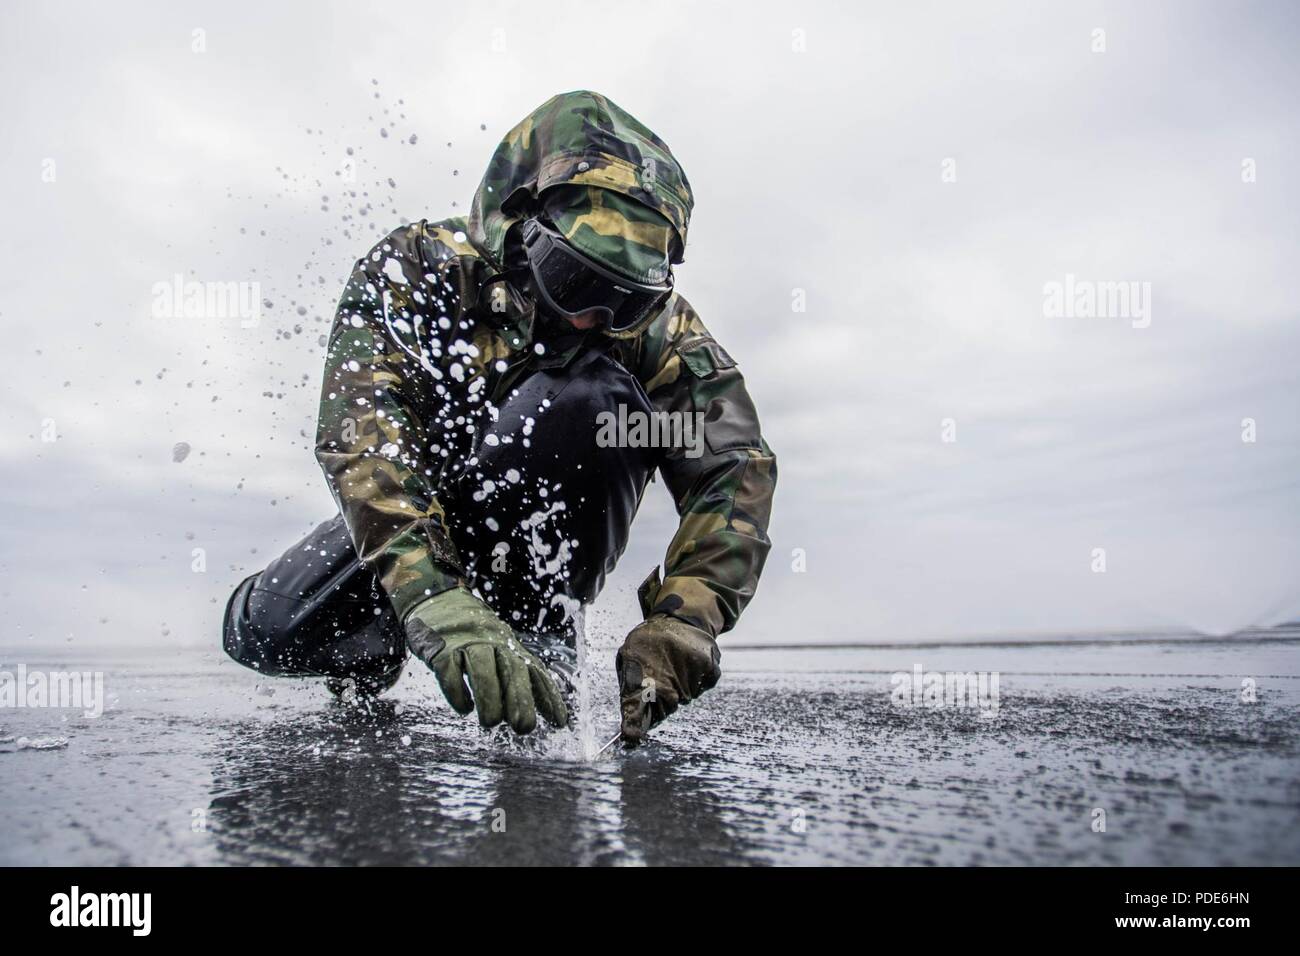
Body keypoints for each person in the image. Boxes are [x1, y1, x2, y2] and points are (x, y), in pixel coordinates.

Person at [223, 91, 777, 746]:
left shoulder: (663, 335)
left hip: (536, 544)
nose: (592, 319)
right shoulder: (415, 272)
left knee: (593, 401)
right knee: (266, 633)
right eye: (574, 281)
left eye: (625, 303)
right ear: (519, 231)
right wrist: (433, 598)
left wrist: (685, 622)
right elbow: (365, 438)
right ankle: (372, 650)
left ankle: (542, 635)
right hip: (414, 521)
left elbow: (733, 466)